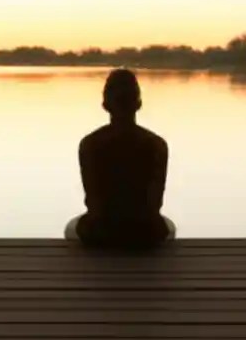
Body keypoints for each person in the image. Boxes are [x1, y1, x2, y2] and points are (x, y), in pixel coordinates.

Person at [65, 69, 175, 248]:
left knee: (71, 226)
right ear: (138, 104)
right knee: (169, 225)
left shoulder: (89, 144)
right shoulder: (157, 144)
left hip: (100, 233)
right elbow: (155, 203)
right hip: (147, 234)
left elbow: (93, 202)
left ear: (105, 104)